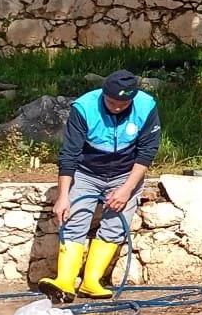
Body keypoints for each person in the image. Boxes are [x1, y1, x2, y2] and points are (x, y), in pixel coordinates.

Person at [40, 70, 162, 303]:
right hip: (86, 172)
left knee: (115, 225)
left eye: (123, 103)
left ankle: (91, 282)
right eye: (112, 102)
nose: (117, 107)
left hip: (125, 173)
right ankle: (64, 280)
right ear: (103, 94)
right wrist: (63, 196)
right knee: (73, 219)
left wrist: (126, 189)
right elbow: (69, 154)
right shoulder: (84, 107)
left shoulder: (146, 106)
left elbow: (147, 152)